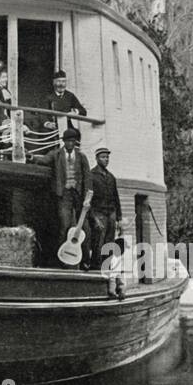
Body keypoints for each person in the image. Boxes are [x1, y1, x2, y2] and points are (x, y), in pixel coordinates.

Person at [32, 127, 90, 264]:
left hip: (78, 194)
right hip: (64, 194)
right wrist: (31, 157)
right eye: (68, 141)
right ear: (64, 142)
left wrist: (88, 197)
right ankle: (62, 258)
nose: (71, 144)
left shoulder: (81, 157)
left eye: (73, 141)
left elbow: (87, 177)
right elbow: (44, 160)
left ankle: (84, 260)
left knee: (84, 227)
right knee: (64, 225)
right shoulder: (57, 154)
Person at [88, 146, 123, 273]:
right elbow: (88, 200)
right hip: (99, 213)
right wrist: (94, 218)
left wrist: (119, 218)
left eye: (107, 157)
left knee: (109, 242)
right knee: (98, 243)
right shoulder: (91, 176)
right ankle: (96, 270)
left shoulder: (111, 177)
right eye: (103, 157)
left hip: (111, 214)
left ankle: (106, 269)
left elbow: (116, 198)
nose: (106, 159)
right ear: (97, 159)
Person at [41, 70, 88, 139]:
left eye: (63, 81)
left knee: (76, 134)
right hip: (53, 126)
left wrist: (75, 112)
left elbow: (83, 111)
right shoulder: (48, 97)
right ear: (54, 82)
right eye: (58, 81)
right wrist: (47, 123)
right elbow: (42, 113)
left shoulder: (70, 96)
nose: (61, 84)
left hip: (67, 126)